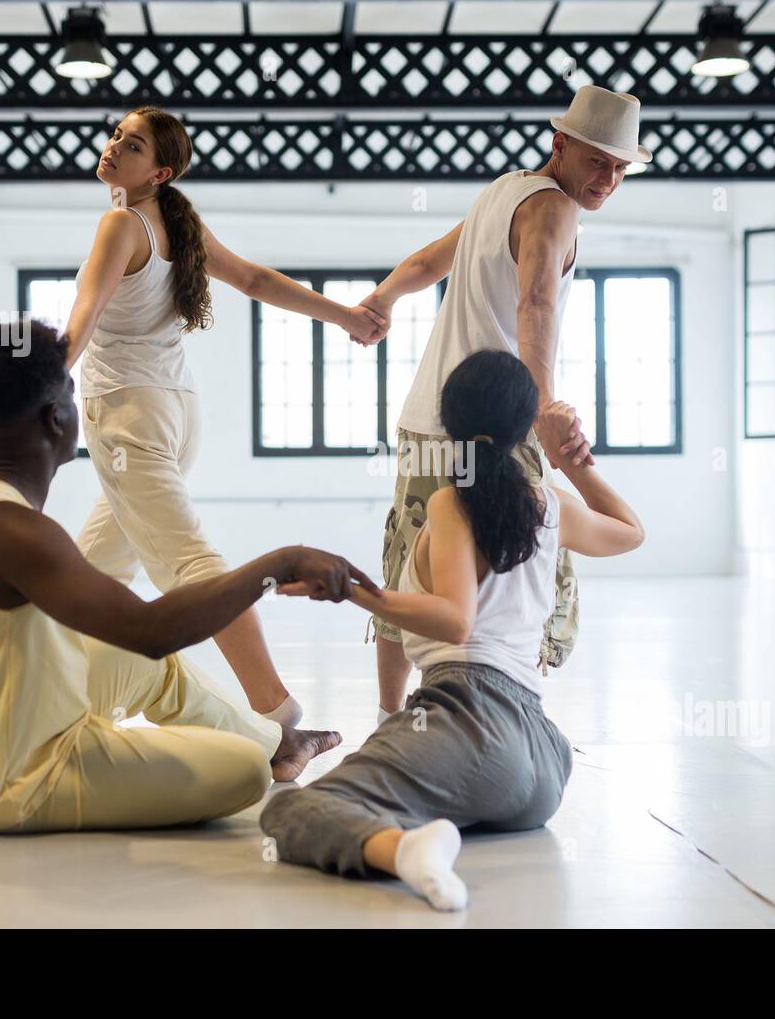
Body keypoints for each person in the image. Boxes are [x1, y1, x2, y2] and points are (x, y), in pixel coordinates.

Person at [0, 322, 372, 833]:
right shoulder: (15, 531)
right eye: (74, 394)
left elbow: (141, 644)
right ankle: (253, 755)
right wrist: (283, 562)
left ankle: (280, 744)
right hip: (2, 781)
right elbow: (150, 630)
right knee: (241, 774)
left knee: (153, 668)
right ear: (57, 418)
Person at [260, 350, 645, 910]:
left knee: (287, 810)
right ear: (525, 426)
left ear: (447, 424)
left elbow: (457, 621)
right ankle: (440, 812)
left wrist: (354, 591)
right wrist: (571, 460)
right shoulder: (549, 503)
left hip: (465, 719)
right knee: (438, 781)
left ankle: (404, 852)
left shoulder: (450, 502)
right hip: (541, 767)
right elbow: (630, 532)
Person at [60, 105, 386, 730]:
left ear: (159, 172)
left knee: (192, 566)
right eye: (116, 136)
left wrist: (41, 386)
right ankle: (61, 702)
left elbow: (86, 315)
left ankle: (281, 719)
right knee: (89, 573)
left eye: (133, 146)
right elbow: (257, 281)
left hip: (129, 419)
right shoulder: (176, 224)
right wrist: (343, 316)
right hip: (175, 416)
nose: (114, 148)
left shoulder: (121, 224)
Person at [352, 85, 653, 721]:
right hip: (500, 420)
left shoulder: (500, 192)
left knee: (412, 561)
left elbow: (431, 259)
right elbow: (536, 303)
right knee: (533, 555)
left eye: (622, 168)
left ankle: (389, 716)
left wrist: (382, 297)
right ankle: (511, 709)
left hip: (429, 421)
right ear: (561, 144)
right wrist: (541, 407)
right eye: (599, 161)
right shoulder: (554, 208)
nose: (609, 178)